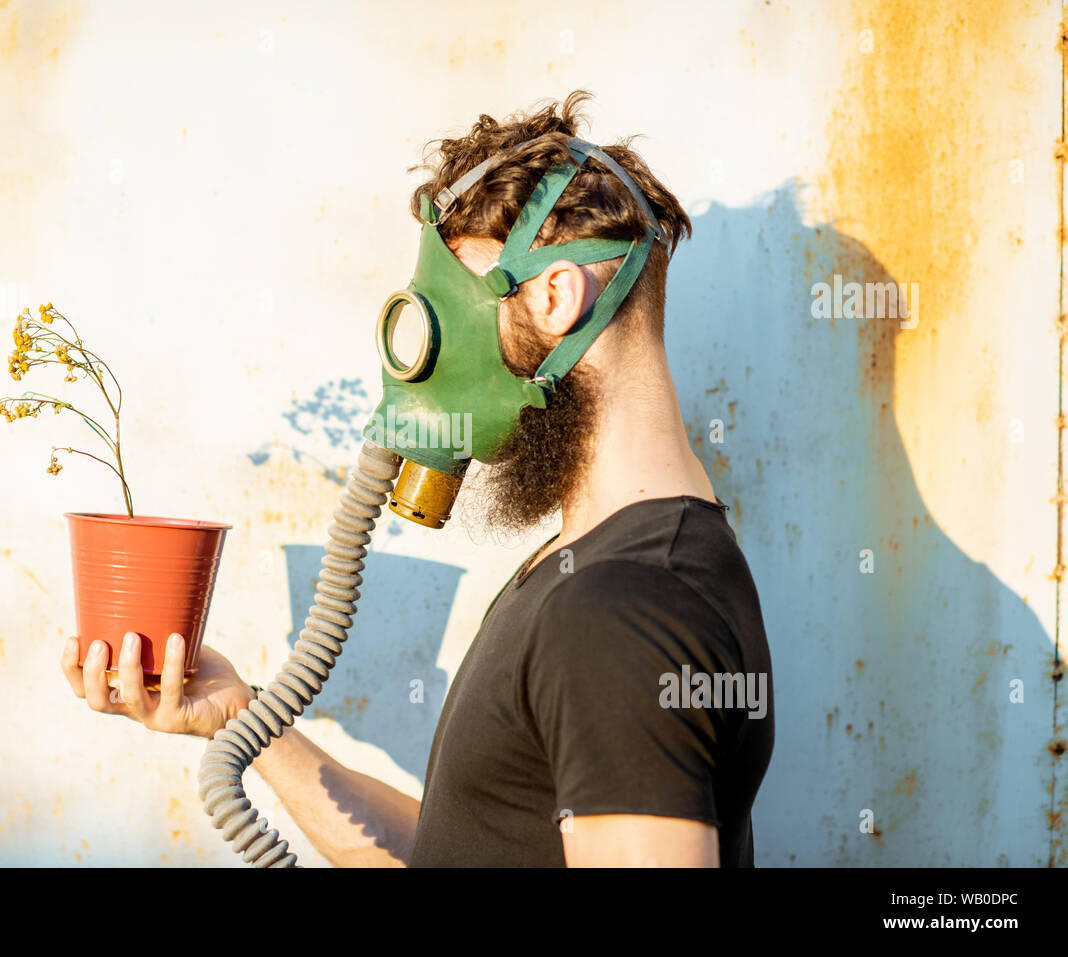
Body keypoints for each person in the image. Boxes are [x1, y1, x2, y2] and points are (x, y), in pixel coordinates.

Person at [62, 90, 774, 867]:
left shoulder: (617, 612)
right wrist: (243, 716)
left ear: (555, 294)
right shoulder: (608, 563)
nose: (417, 362)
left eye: (444, 309)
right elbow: (455, 849)